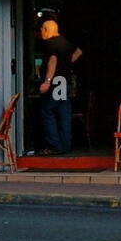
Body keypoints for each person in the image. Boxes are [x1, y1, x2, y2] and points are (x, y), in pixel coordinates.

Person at [37, 19, 82, 156]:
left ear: (46, 29)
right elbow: (79, 52)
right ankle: (65, 146)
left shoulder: (51, 43)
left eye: (41, 30)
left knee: (47, 111)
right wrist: (67, 64)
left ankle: (55, 145)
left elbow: (53, 61)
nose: (41, 33)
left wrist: (47, 81)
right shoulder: (64, 41)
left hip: (56, 82)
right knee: (64, 113)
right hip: (65, 81)